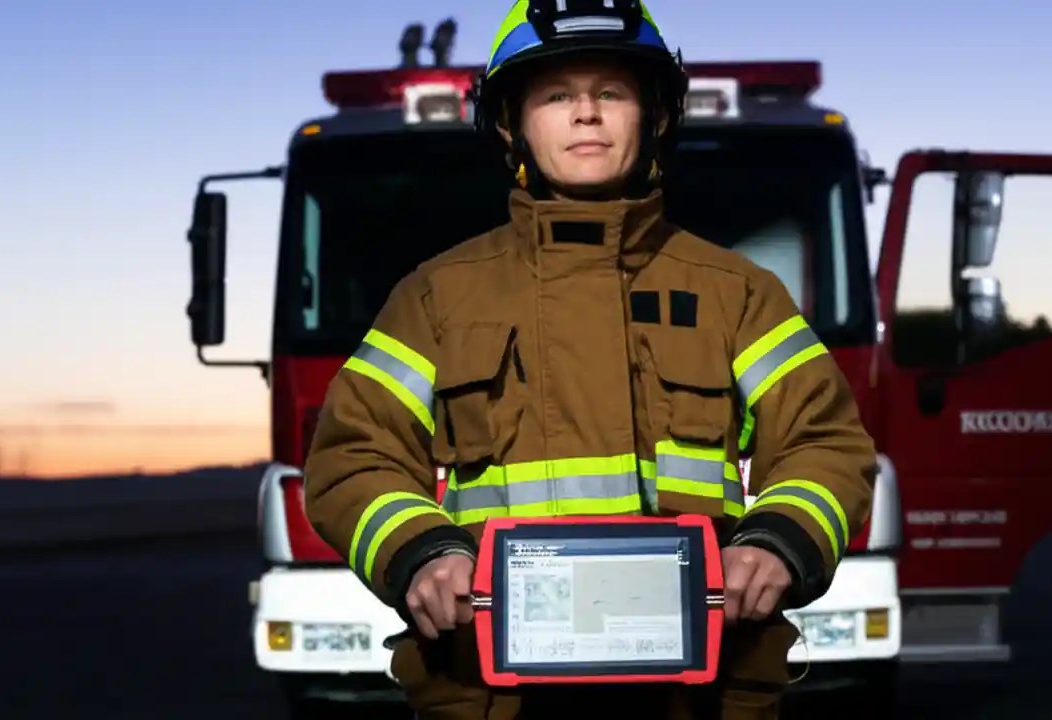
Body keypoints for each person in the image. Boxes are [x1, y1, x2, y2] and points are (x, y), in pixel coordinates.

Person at [302, 1, 877, 718]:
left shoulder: (739, 294)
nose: (586, 115)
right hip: (493, 695)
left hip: (701, 694)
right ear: (511, 123)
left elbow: (824, 442)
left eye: (611, 92)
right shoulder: (436, 298)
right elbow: (354, 455)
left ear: (656, 116)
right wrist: (420, 552)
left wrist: (780, 540)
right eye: (556, 95)